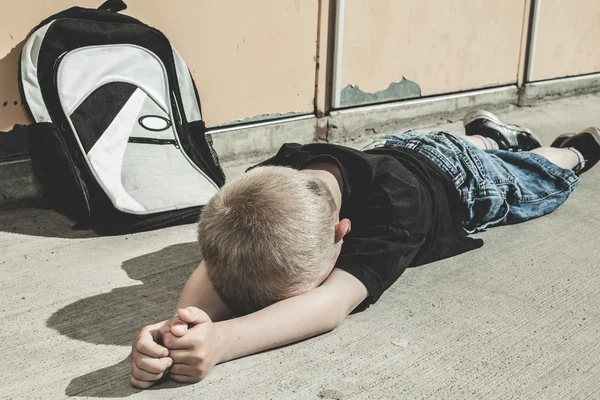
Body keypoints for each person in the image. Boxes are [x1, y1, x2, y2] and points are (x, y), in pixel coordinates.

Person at [129, 110, 600, 388]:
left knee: (530, 175)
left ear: (343, 234)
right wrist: (180, 324)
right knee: (456, 145)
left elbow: (330, 303)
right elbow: (227, 255)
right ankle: (487, 134)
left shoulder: (395, 214)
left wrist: (220, 342)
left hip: (464, 181)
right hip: (400, 145)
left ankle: (579, 150)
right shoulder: (272, 179)